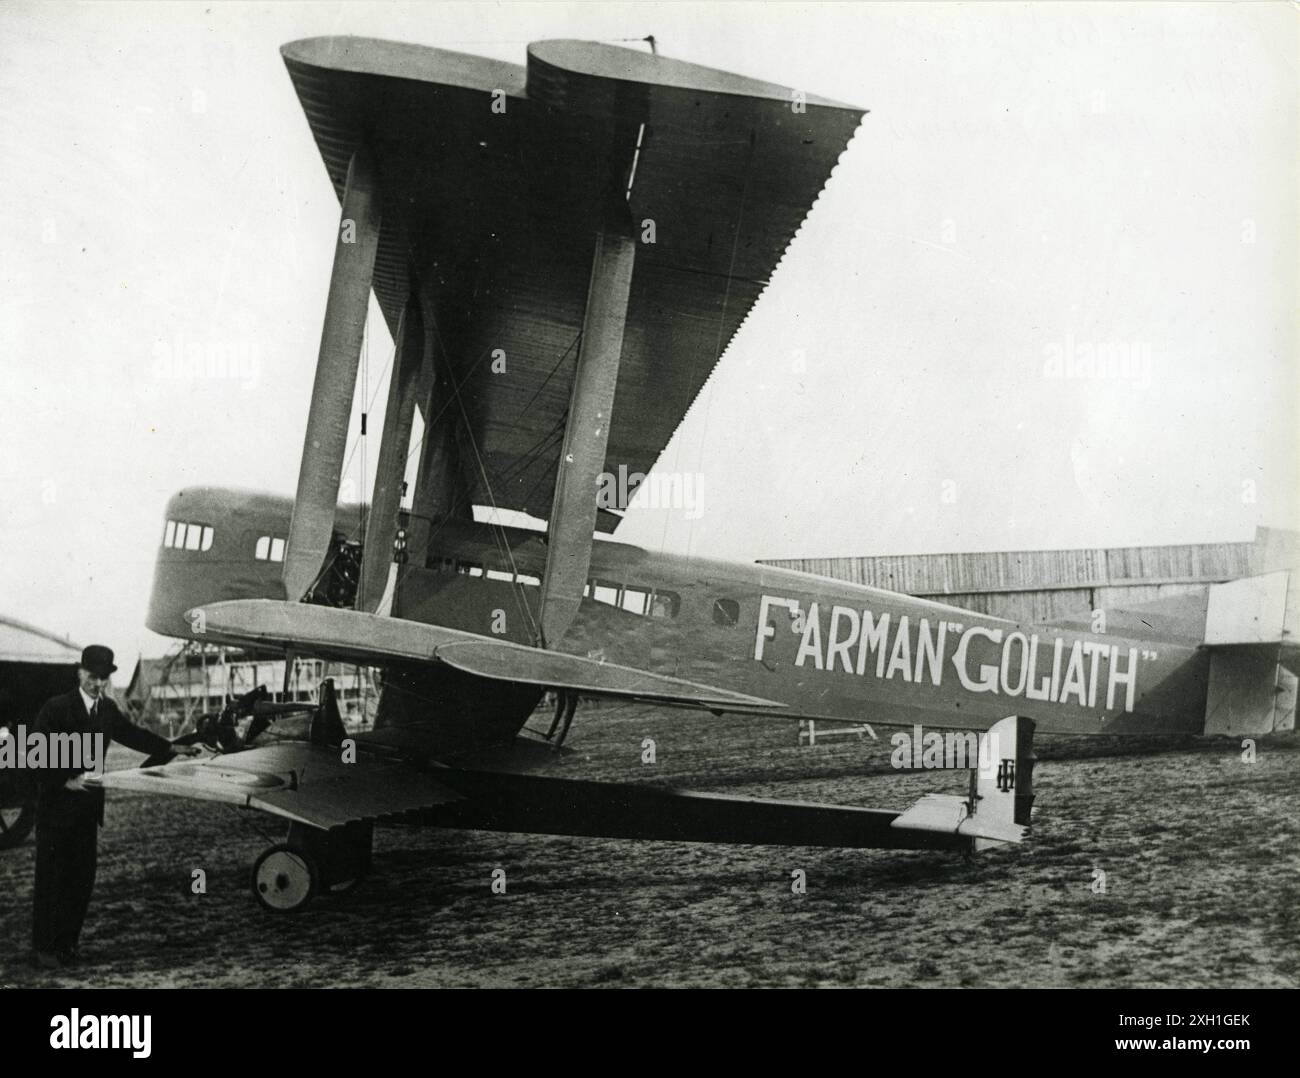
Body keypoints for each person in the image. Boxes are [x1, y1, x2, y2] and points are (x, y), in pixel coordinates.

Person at [30, 644, 201, 969]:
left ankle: (68, 944)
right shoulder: (56, 708)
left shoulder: (106, 710)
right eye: (92, 677)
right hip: (55, 813)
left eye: (103, 678)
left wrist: (174, 747)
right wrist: (64, 780)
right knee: (52, 881)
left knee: (81, 881)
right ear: (80, 672)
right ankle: (44, 948)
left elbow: (134, 735)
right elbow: (34, 753)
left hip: (87, 811)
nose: (97, 684)